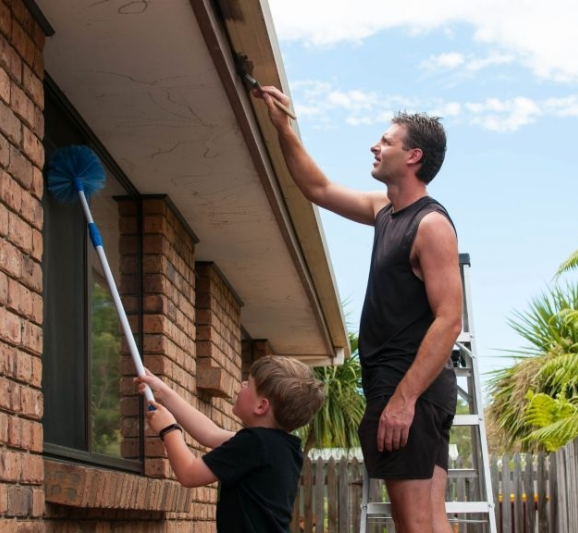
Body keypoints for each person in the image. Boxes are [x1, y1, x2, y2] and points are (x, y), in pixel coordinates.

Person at [255, 87, 463, 533]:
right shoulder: (387, 211)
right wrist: (283, 128)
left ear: (413, 157)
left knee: (415, 525)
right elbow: (318, 187)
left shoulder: (431, 226)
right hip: (411, 388)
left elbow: (450, 319)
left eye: (386, 141)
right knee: (431, 521)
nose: (375, 145)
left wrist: (403, 400)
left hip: (409, 386)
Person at [135, 355, 325, 533]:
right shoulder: (281, 446)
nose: (242, 384)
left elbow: (189, 474)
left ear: (261, 406)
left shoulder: (255, 443)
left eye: (248, 384)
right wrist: (163, 392)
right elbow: (210, 433)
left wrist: (168, 429)